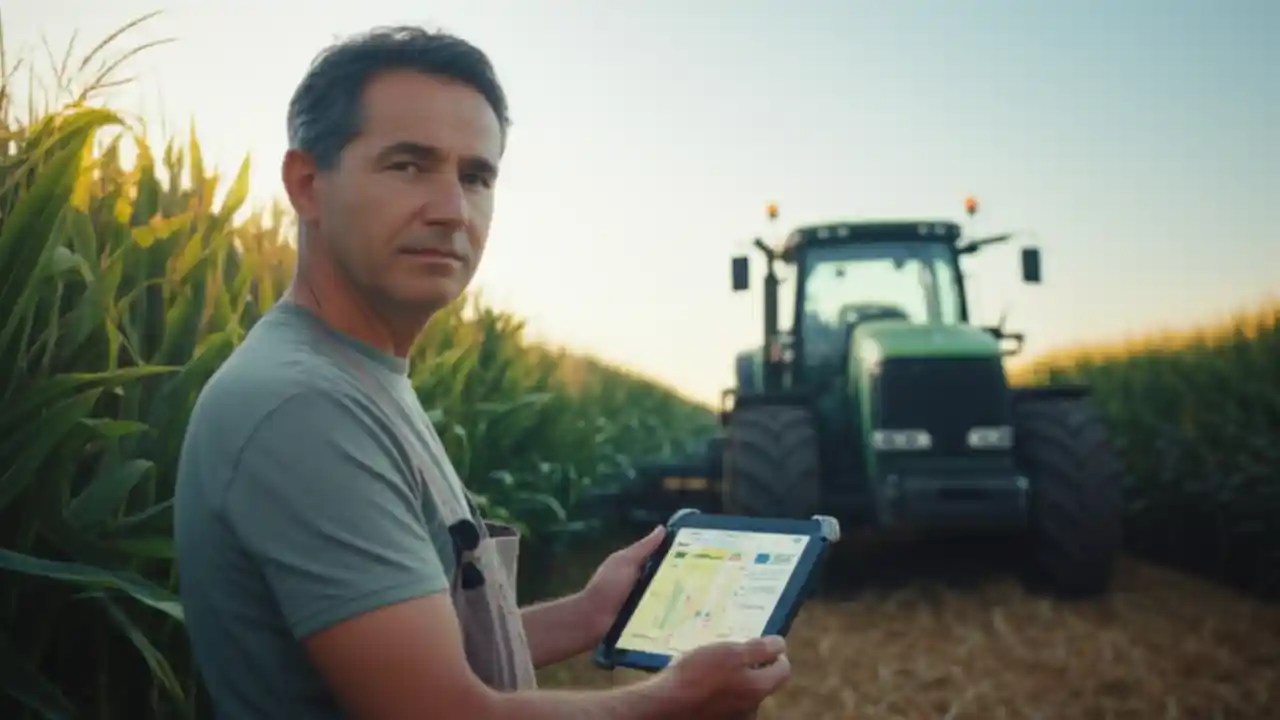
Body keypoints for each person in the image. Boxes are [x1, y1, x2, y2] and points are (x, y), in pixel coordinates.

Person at [173, 25, 791, 720]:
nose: (451, 211)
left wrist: (589, 614)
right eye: (408, 165)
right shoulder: (302, 407)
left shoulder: (361, 380)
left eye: (476, 176)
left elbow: (411, 655)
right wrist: (672, 700)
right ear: (307, 184)